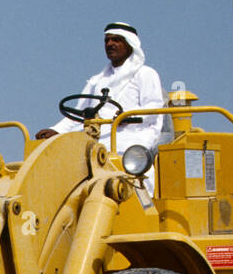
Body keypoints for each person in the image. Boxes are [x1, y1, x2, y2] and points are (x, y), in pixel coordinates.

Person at [36, 22, 165, 194]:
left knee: (131, 164)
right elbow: (78, 115)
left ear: (129, 44)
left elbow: (154, 107)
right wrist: (55, 130)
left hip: (132, 136)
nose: (110, 44)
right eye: (107, 40)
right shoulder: (97, 80)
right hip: (97, 138)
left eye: (116, 40)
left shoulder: (145, 74)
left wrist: (128, 116)